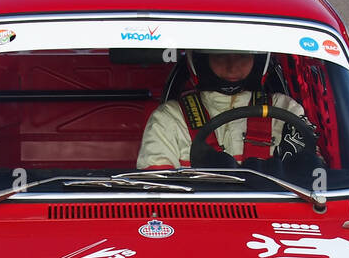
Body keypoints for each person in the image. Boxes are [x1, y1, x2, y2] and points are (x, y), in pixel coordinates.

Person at [136, 51, 321, 178]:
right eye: (220, 56)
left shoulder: (285, 109)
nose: (232, 67)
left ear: (257, 59)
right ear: (202, 59)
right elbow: (157, 193)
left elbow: (313, 179)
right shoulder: (169, 118)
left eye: (242, 56)